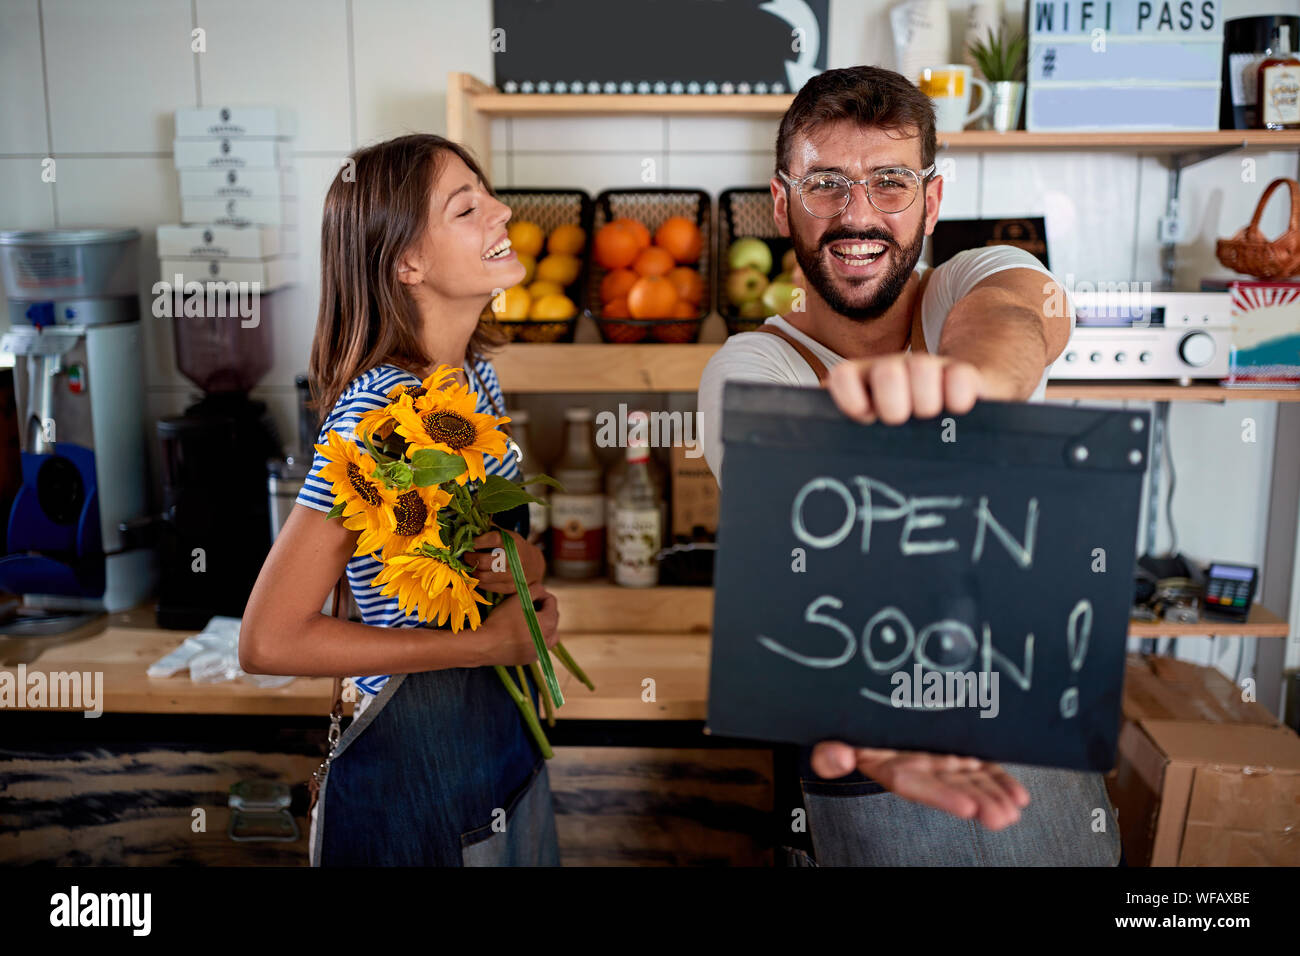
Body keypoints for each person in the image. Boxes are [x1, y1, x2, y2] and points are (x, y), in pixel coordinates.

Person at [698, 65, 1121, 866]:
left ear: (931, 201)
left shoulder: (971, 279)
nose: (858, 216)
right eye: (825, 183)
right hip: (870, 745)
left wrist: (965, 390)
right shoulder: (752, 367)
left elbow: (1018, 321)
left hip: (1036, 738)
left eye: (890, 183)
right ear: (781, 201)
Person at [241, 134, 561, 866]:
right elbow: (269, 639)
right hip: (405, 786)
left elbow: (491, 553)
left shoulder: (471, 381)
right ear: (407, 263)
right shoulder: (376, 418)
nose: (502, 211)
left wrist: (524, 574)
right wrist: (481, 645)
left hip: (493, 761)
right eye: (466, 207)